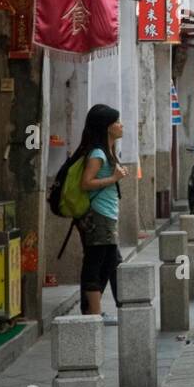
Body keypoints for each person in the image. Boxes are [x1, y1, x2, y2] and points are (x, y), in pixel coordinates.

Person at [75, 104, 128, 321]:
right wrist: (113, 179)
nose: (120, 125)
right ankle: (93, 314)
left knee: (112, 263)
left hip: (107, 214)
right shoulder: (98, 153)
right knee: (96, 263)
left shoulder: (108, 151)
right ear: (107, 127)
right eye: (116, 122)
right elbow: (85, 183)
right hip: (99, 215)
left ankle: (109, 309)